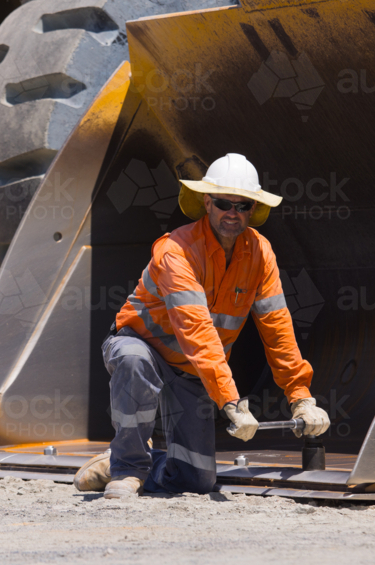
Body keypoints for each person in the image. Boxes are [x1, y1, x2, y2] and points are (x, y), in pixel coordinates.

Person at [74, 153, 330, 498]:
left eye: (243, 205)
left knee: (195, 481)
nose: (233, 213)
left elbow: (278, 329)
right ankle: (127, 468)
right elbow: (197, 331)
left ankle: (123, 462)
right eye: (224, 203)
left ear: (253, 209)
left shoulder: (260, 253)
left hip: (192, 368)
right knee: (133, 360)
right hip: (142, 345)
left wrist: (301, 398)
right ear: (206, 202)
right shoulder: (175, 250)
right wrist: (232, 403)